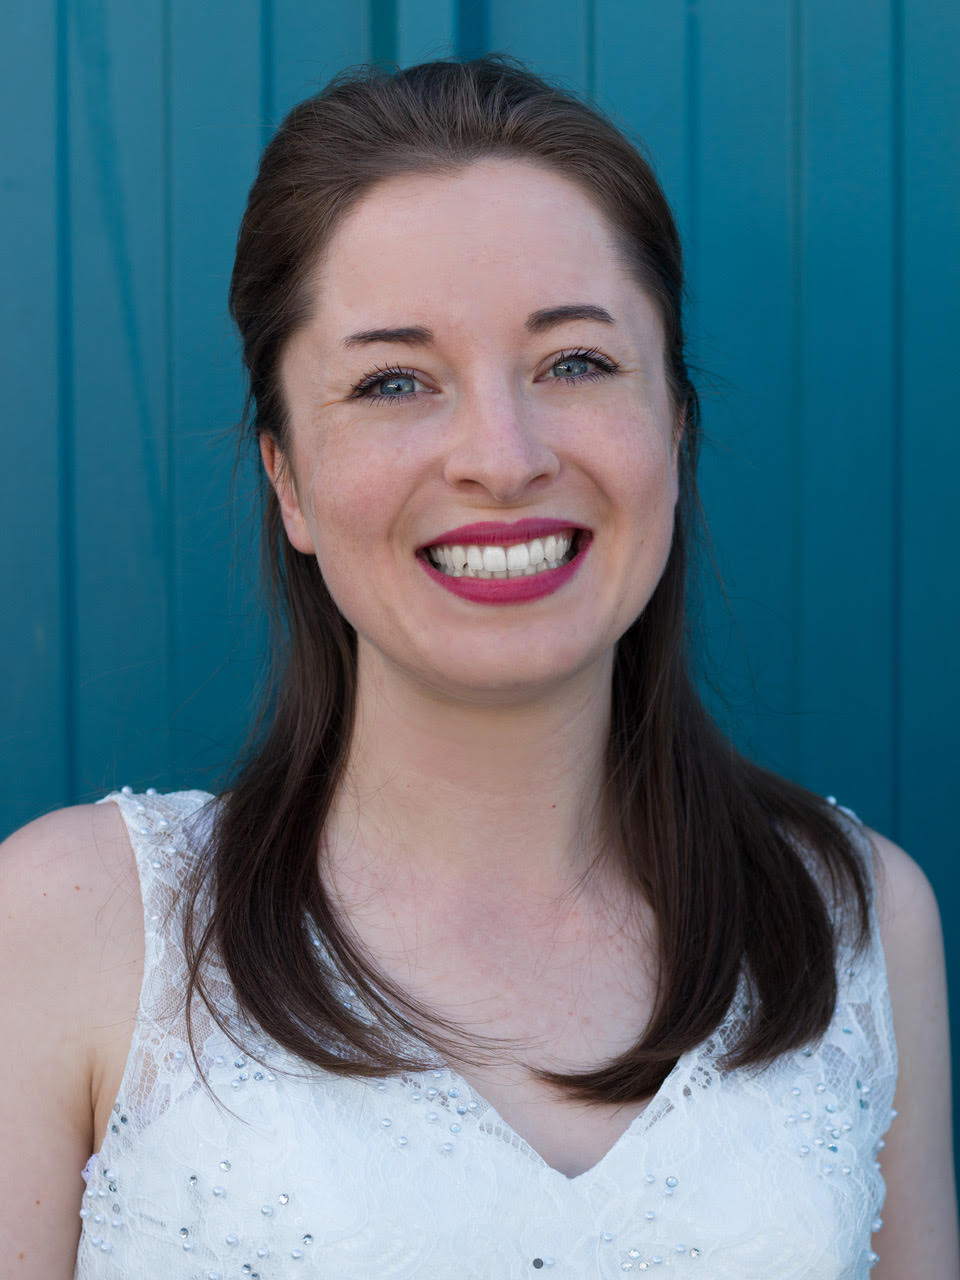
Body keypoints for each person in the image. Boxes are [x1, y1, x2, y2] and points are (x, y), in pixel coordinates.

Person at [2, 54, 956, 1280]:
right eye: (395, 381)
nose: (502, 458)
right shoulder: (77, 924)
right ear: (287, 478)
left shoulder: (859, 919)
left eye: (576, 362)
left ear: (675, 426)